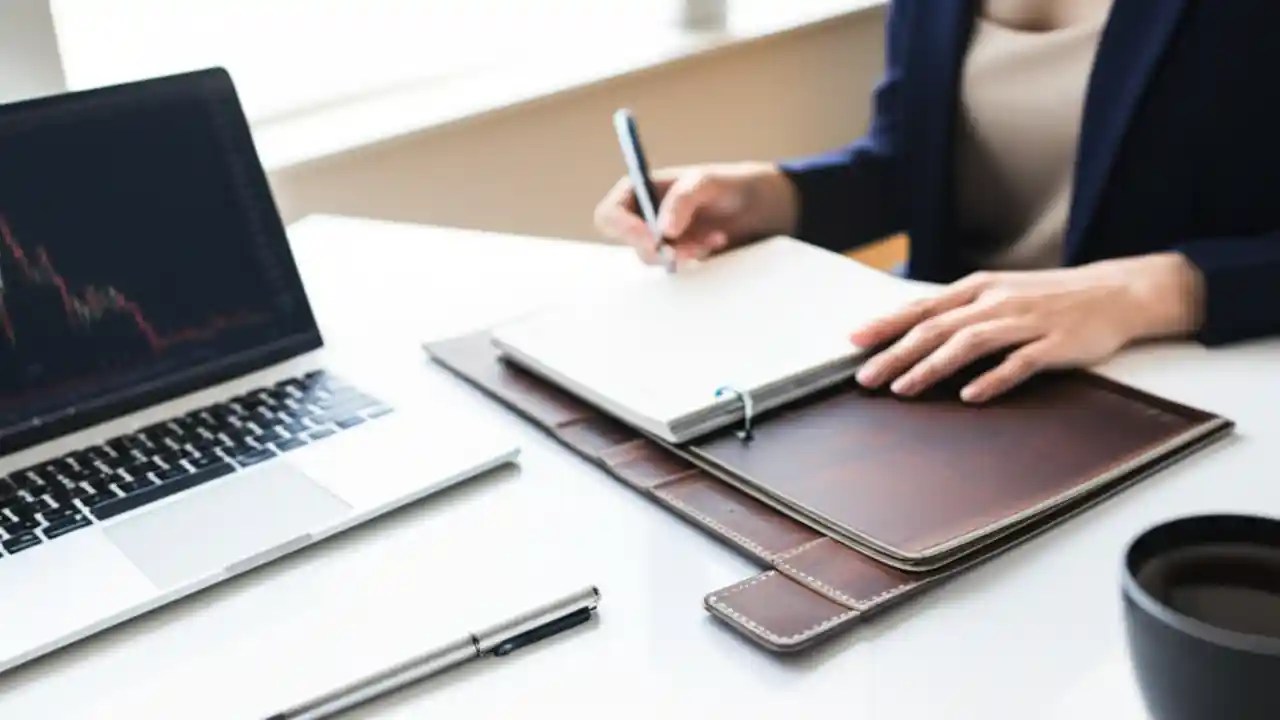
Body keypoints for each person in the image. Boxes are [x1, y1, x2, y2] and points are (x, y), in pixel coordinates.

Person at [594, 0, 1280, 403]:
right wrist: (771, 196)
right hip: (956, 368)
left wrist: (1150, 291)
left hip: (1186, 379)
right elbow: (914, 163)